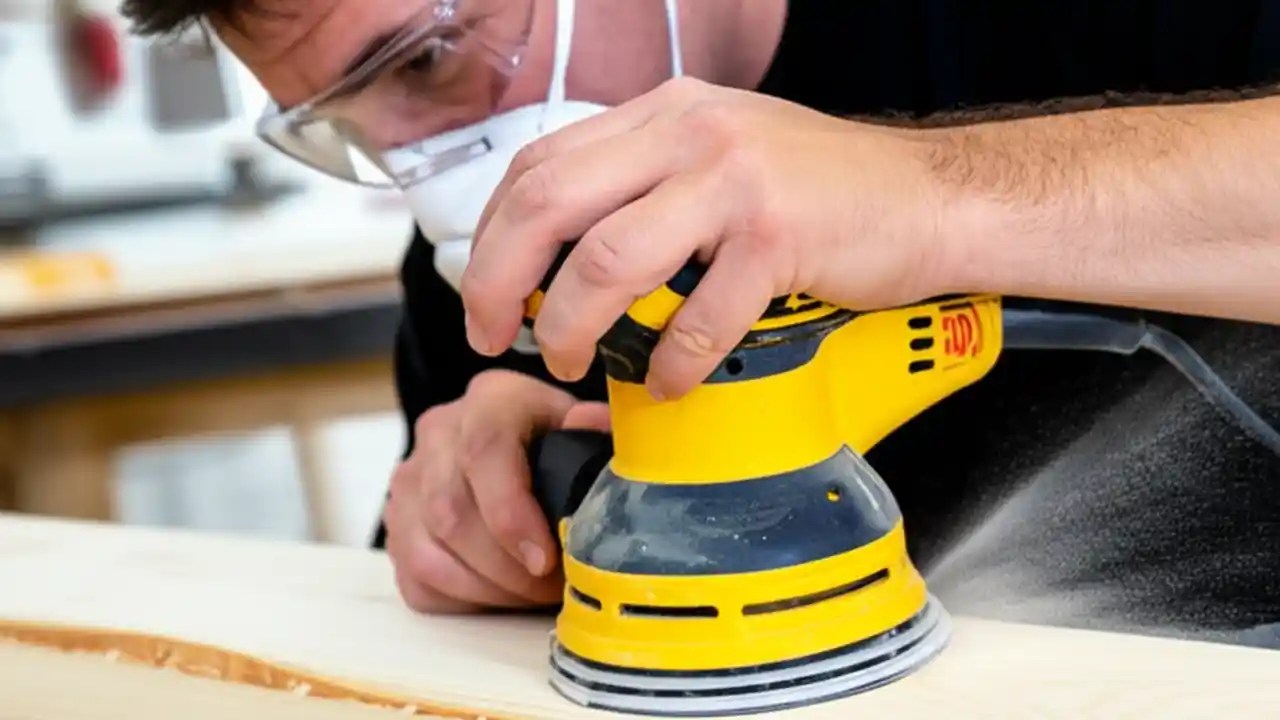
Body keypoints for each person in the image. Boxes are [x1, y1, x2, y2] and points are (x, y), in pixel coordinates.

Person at [120, 0, 1280, 641]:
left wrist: (940, 193)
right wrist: (498, 527)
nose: (434, 181)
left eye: (431, 58)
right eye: (345, 128)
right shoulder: (512, 270)